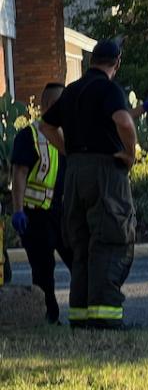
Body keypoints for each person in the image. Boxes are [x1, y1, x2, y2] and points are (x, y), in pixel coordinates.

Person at [38, 40, 148, 329]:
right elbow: (122, 122)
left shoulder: (72, 91)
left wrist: (68, 152)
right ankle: (106, 319)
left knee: (81, 245)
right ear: (117, 62)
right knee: (109, 240)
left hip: (75, 175)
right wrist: (129, 154)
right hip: (106, 174)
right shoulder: (109, 90)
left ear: (91, 60)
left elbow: (46, 126)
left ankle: (81, 317)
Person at [11, 83, 73, 323]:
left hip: (60, 212)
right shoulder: (29, 136)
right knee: (44, 270)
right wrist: (18, 211)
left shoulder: (65, 135)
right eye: (62, 105)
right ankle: (49, 318)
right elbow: (19, 172)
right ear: (49, 105)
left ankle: (83, 313)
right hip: (34, 215)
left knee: (78, 261)